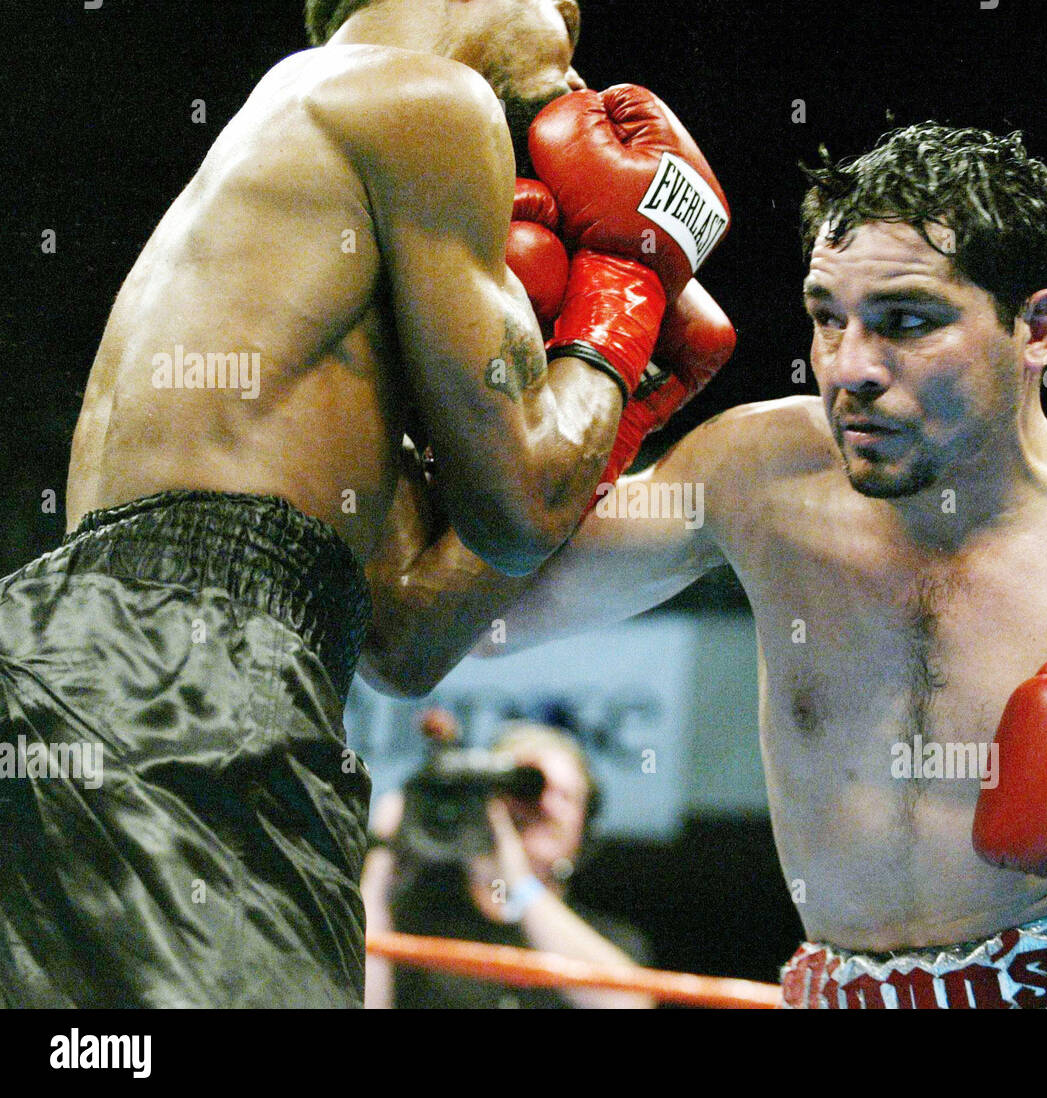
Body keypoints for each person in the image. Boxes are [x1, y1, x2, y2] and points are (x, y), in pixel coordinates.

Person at [404, 124, 1047, 1008]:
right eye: (829, 318)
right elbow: (471, 627)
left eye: (906, 322)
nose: (853, 367)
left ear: (1037, 328)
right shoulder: (755, 476)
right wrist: (588, 414)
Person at [0, 0, 728, 1007]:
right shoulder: (421, 99)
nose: (572, 36)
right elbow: (522, 506)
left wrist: (612, 423)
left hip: (153, 674)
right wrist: (627, 286)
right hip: (185, 681)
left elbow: (407, 638)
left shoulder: (307, 155)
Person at [362, 717, 653, 1008]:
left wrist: (518, 882)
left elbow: (629, 1001)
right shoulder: (414, 920)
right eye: (528, 791)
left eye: (565, 796)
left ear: (585, 827)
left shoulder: (612, 940)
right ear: (487, 799)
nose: (546, 806)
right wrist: (381, 858)